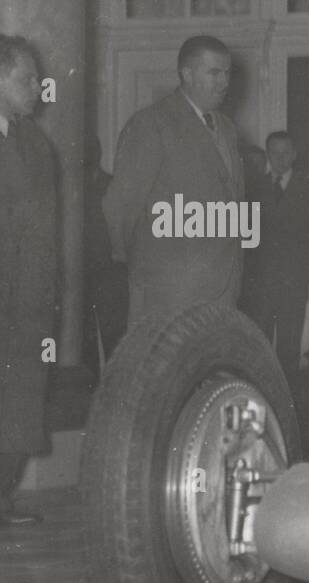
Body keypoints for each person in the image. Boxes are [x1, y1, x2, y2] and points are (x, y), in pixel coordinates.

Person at [103, 34, 245, 327]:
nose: (224, 82)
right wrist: (147, 268)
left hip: (223, 288)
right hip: (167, 292)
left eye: (228, 72)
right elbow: (119, 208)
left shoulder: (228, 129)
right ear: (187, 74)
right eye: (214, 72)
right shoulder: (151, 124)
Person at [0, 35, 58, 527]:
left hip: (27, 305)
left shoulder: (37, 143)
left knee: (18, 403)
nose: (38, 87)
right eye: (26, 79)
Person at [241, 131, 309, 377]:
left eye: (285, 153)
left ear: (294, 155)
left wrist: (300, 264)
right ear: (268, 155)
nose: (279, 159)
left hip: (293, 282)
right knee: (259, 348)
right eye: (274, 153)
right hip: (260, 284)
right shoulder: (254, 189)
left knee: (289, 349)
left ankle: (289, 402)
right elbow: (243, 234)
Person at [82, 133, 127, 370]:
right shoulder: (71, 190)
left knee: (114, 340)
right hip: (82, 277)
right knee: (85, 343)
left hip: (110, 275)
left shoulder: (112, 185)